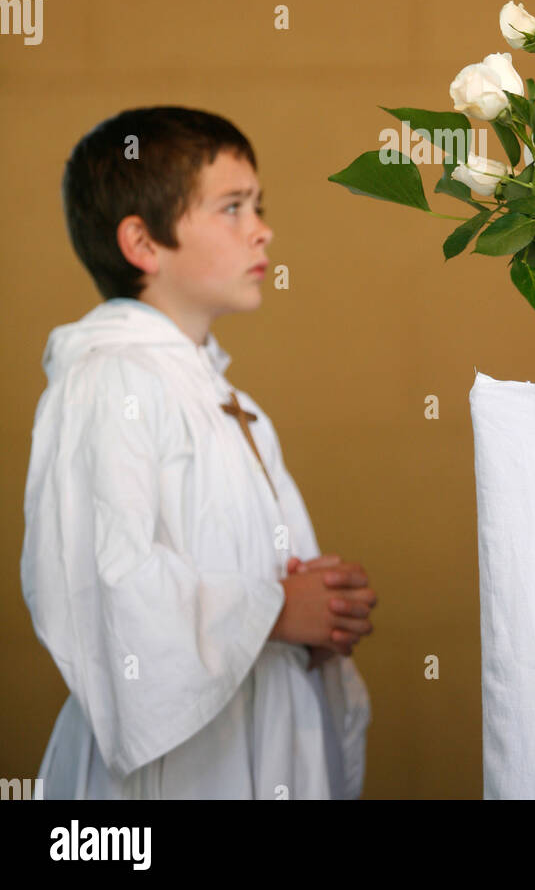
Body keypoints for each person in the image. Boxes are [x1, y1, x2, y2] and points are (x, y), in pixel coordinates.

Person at [20, 105, 375, 799]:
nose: (263, 229)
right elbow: (102, 586)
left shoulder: (224, 397)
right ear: (143, 244)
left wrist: (318, 605)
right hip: (177, 770)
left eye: (259, 205)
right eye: (233, 208)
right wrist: (273, 609)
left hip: (256, 732)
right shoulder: (108, 379)